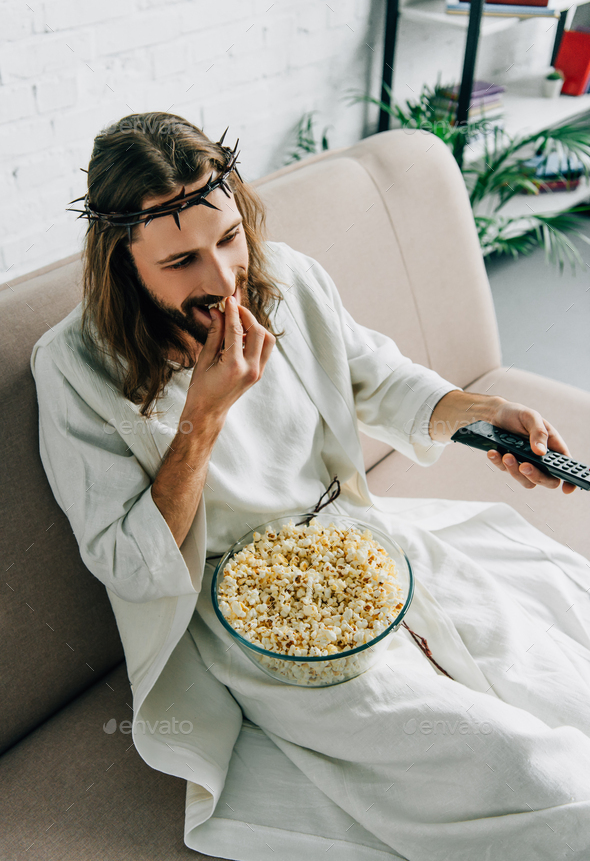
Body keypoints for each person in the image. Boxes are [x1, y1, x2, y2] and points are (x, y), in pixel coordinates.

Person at [30, 112, 590, 861]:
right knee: (519, 772)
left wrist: (479, 412)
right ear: (122, 263)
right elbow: (128, 563)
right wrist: (202, 418)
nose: (223, 279)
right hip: (259, 622)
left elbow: (378, 378)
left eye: (228, 239)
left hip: (370, 549)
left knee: (559, 683)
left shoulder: (286, 277)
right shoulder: (73, 368)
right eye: (182, 262)